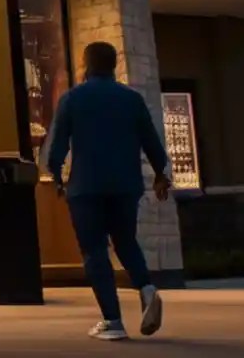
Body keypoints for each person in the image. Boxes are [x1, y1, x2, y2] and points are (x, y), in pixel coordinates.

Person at [47, 42, 172, 342]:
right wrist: (160, 175)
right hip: (125, 186)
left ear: (85, 64)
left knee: (94, 251)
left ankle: (112, 320)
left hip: (86, 187)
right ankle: (146, 288)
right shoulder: (132, 99)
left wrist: (56, 177)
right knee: (126, 241)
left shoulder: (72, 99)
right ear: (114, 65)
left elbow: (58, 146)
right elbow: (151, 141)